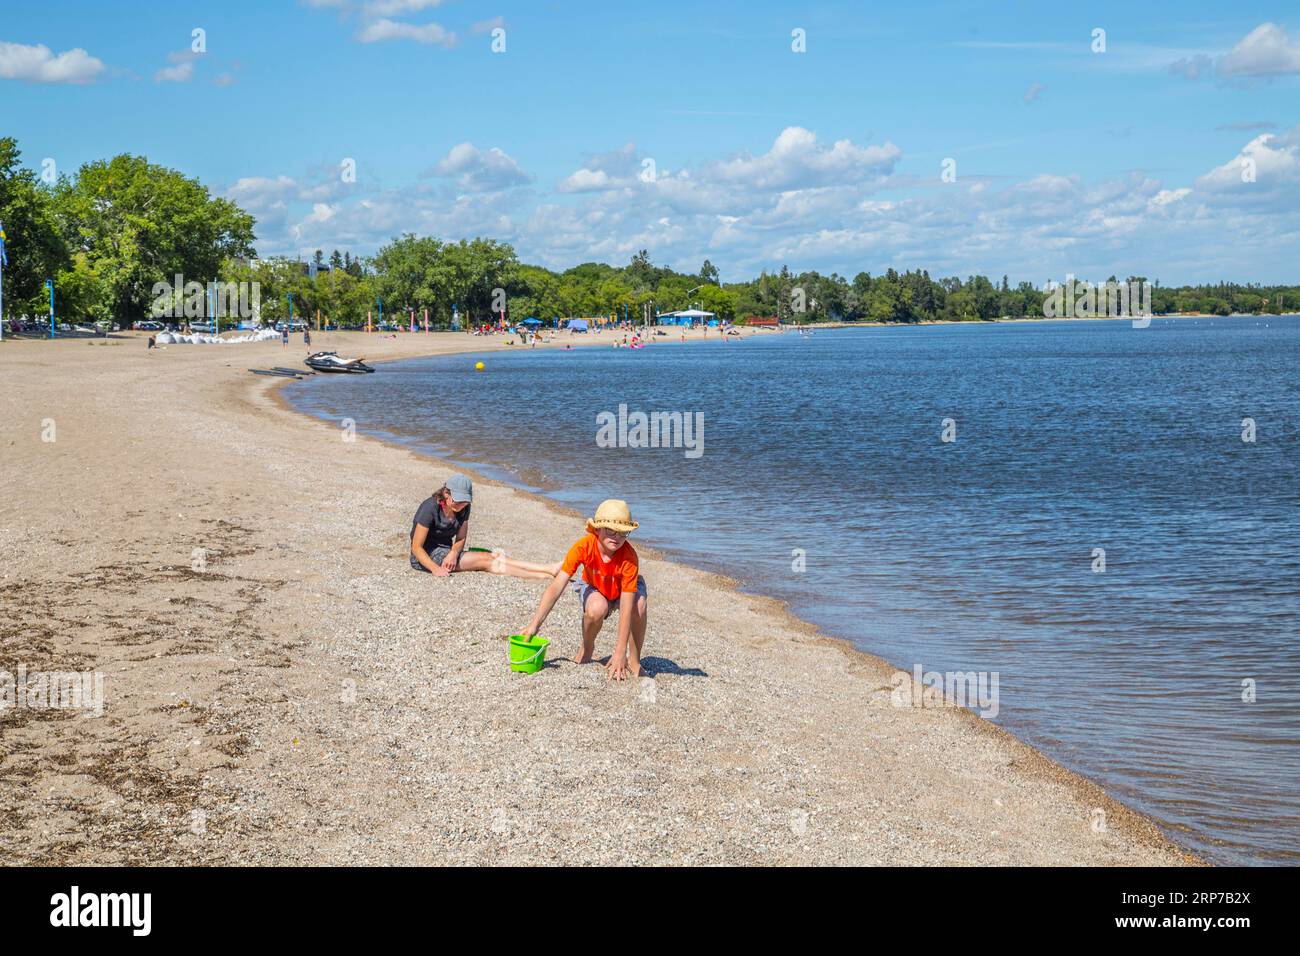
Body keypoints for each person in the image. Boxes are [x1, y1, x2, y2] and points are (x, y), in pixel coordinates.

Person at [521, 499, 647, 680]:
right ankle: (587, 647)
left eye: (622, 532)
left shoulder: (629, 557)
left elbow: (627, 606)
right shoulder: (583, 547)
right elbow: (556, 587)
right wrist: (534, 626)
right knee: (597, 609)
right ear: (597, 529)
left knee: (639, 605)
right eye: (610, 530)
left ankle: (634, 661)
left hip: (623, 592)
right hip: (594, 586)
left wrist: (620, 652)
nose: (616, 537)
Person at [410, 474, 557, 580]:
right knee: (486, 560)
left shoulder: (463, 508)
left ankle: (545, 570)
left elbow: (461, 538)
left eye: (465, 502)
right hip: (426, 556)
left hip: (447, 552)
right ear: (446, 493)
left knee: (493, 558)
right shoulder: (429, 508)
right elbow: (416, 547)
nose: (461, 506)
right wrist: (435, 569)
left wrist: (454, 553)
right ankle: (544, 572)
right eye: (458, 501)